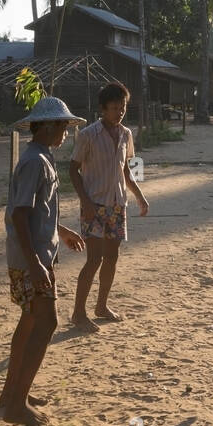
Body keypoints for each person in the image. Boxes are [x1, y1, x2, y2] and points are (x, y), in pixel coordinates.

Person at [0, 96, 87, 426]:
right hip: (31, 258)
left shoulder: (42, 158)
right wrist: (36, 263)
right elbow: (20, 214)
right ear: (48, 126)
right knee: (46, 322)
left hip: (34, 254)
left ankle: (12, 392)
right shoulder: (35, 161)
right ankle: (16, 406)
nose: (66, 131)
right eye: (63, 126)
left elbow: (36, 211)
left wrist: (60, 230)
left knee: (31, 320)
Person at [69, 82, 149, 332]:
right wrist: (86, 202)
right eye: (115, 107)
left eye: (123, 107)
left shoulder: (126, 134)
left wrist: (139, 195)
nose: (120, 112)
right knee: (93, 260)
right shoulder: (88, 135)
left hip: (117, 204)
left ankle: (101, 306)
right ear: (103, 109)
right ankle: (78, 313)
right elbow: (73, 169)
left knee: (112, 258)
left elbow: (125, 169)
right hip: (94, 205)